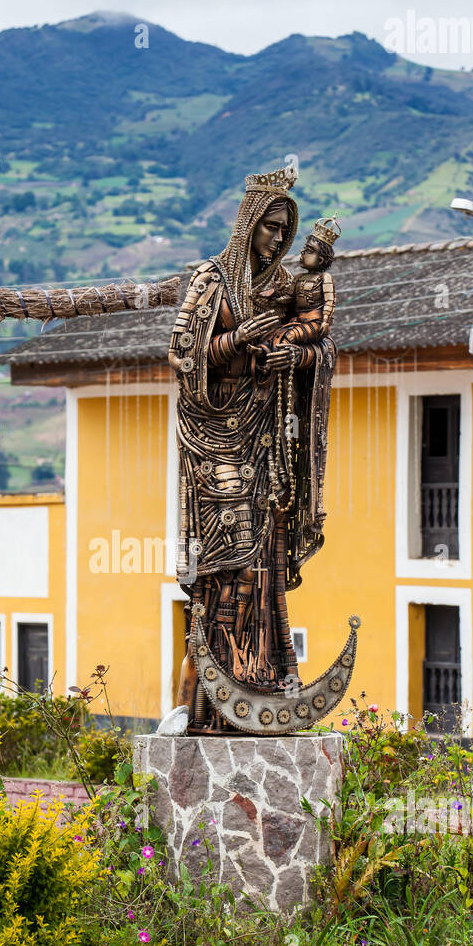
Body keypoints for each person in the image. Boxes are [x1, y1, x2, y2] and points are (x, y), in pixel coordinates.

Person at [164, 170, 339, 734]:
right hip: (217, 434)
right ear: (247, 226)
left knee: (265, 549)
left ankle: (264, 673)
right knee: (229, 555)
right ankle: (212, 696)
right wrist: (237, 341)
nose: (277, 238)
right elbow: (183, 349)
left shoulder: (288, 286)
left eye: (285, 229)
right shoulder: (211, 280)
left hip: (267, 437)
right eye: (269, 226)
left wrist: (299, 359)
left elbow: (318, 339)